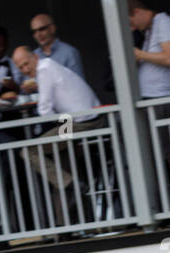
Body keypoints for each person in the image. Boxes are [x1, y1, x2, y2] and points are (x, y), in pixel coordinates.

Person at [12, 46, 102, 224]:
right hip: (81, 119)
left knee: (29, 151)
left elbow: (44, 111)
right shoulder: (48, 66)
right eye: (20, 67)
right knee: (56, 153)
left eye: (26, 64)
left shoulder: (44, 70)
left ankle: (70, 185)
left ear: (35, 58)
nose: (25, 70)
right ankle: (71, 213)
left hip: (80, 122)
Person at [128, 1, 170, 206]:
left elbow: (169, 57)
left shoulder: (164, 22)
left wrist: (140, 55)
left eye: (131, 20)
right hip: (155, 100)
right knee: (167, 154)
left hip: (165, 99)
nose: (132, 26)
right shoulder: (151, 29)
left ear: (138, 12)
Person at [28, 13, 85, 84]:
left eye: (41, 29)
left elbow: (79, 84)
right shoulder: (33, 55)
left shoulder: (69, 52)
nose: (38, 35)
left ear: (52, 28)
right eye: (34, 32)